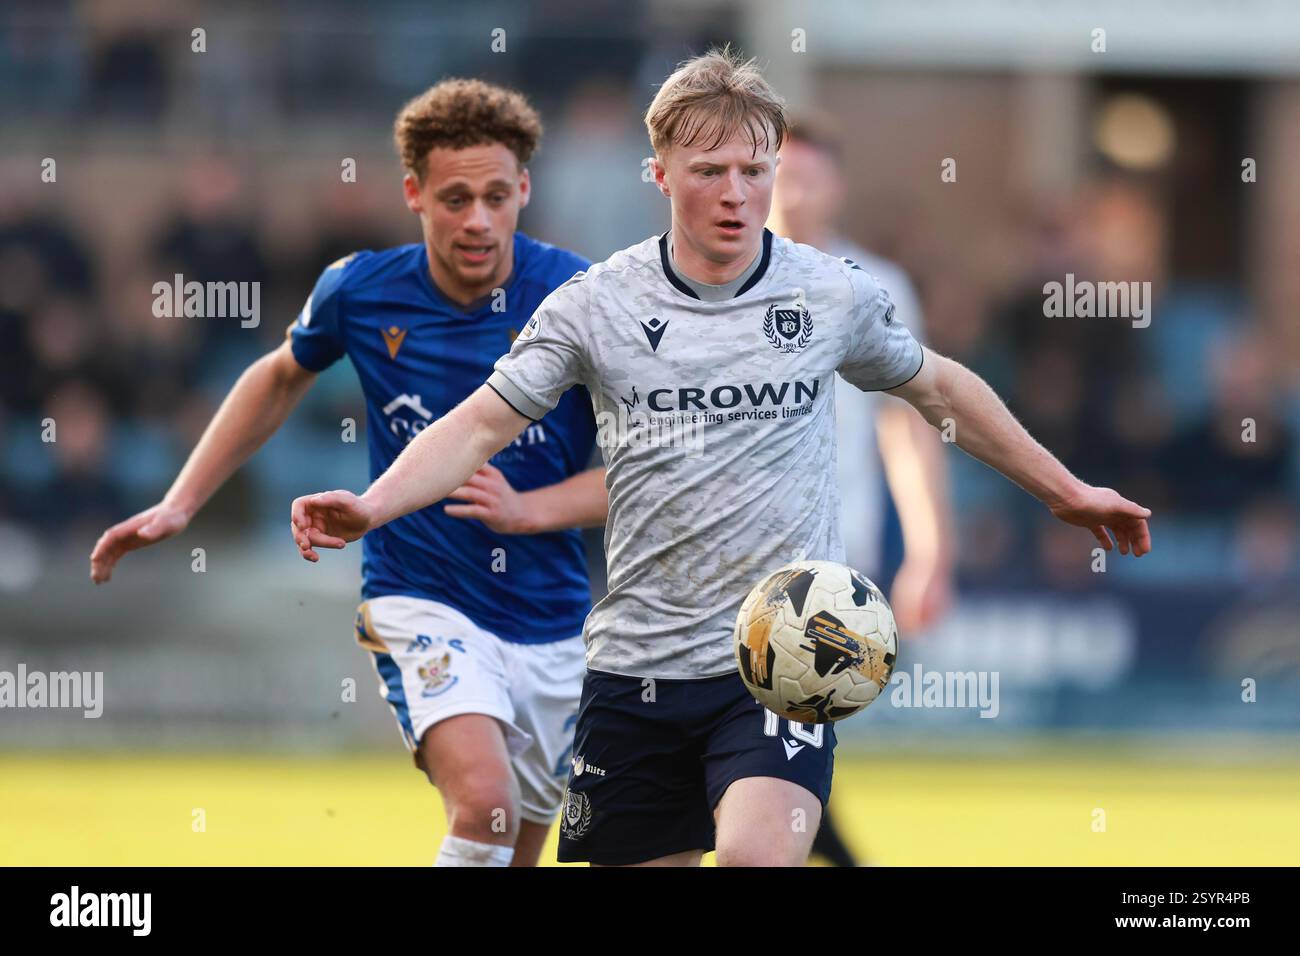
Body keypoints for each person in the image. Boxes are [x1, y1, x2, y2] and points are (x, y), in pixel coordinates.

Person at [290, 47, 1152, 867]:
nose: (736, 193)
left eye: (754, 170)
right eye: (709, 172)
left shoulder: (829, 293)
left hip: (782, 654)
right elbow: (478, 425)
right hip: (634, 667)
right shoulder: (594, 305)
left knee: (750, 853)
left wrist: (1065, 490)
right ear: (660, 174)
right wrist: (374, 506)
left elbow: (940, 390)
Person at [90, 79, 608, 868]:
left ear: (525, 189)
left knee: (512, 849)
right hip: (421, 596)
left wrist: (530, 508)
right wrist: (180, 501)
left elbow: (644, 470)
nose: (478, 219)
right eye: (456, 197)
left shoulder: (581, 296)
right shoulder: (362, 290)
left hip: (552, 621)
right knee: (486, 808)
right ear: (413, 193)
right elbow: (277, 376)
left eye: (497, 196)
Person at [770, 115, 957, 866]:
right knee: (765, 732)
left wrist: (930, 550)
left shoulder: (873, 287)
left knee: (791, 722)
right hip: (723, 551)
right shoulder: (712, 277)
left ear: (837, 187)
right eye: (780, 172)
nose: (793, 190)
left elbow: (909, 427)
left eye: (809, 175)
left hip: (835, 556)